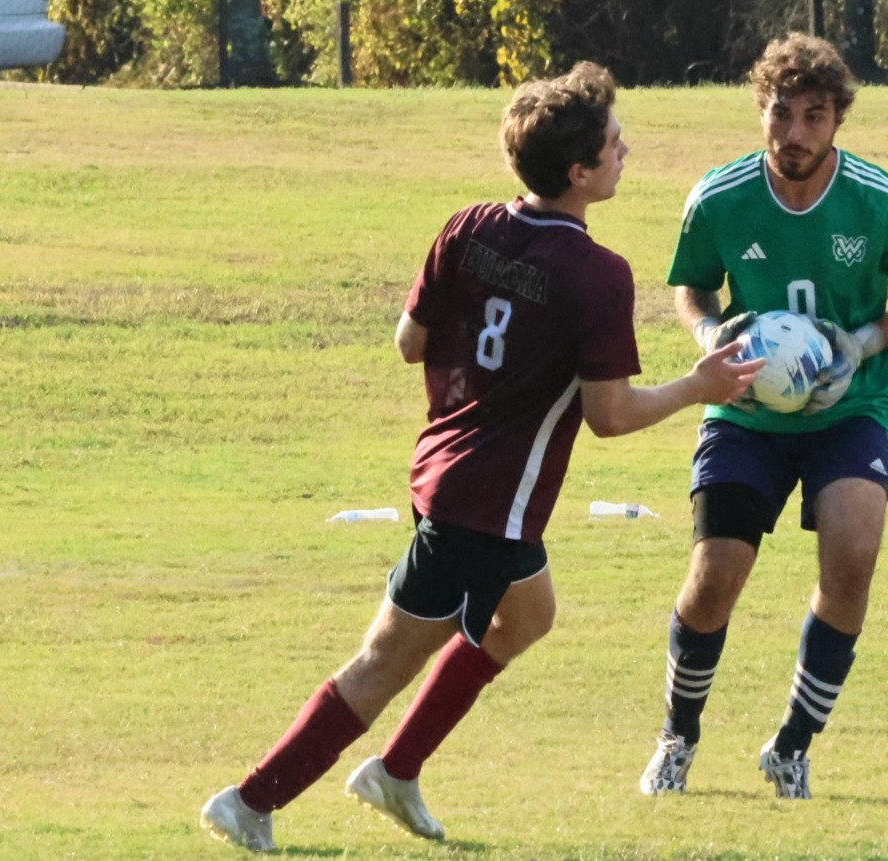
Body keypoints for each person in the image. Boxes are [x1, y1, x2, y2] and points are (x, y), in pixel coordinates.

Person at [199, 61, 762, 853]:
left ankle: (396, 770)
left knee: (528, 614)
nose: (625, 149)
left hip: (449, 473)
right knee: (382, 661)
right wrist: (700, 386)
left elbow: (410, 344)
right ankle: (251, 800)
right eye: (613, 143)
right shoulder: (597, 276)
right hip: (485, 507)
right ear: (578, 171)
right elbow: (610, 414)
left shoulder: (467, 226)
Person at [638, 33, 888, 801]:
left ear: (838, 119)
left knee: (852, 555)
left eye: (815, 117)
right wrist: (710, 335)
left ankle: (792, 745)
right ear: (762, 112)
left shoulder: (880, 203)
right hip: (745, 410)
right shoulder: (719, 198)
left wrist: (865, 340)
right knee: (715, 577)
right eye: (782, 114)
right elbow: (692, 287)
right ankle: (678, 736)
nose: (796, 135)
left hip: (853, 407)